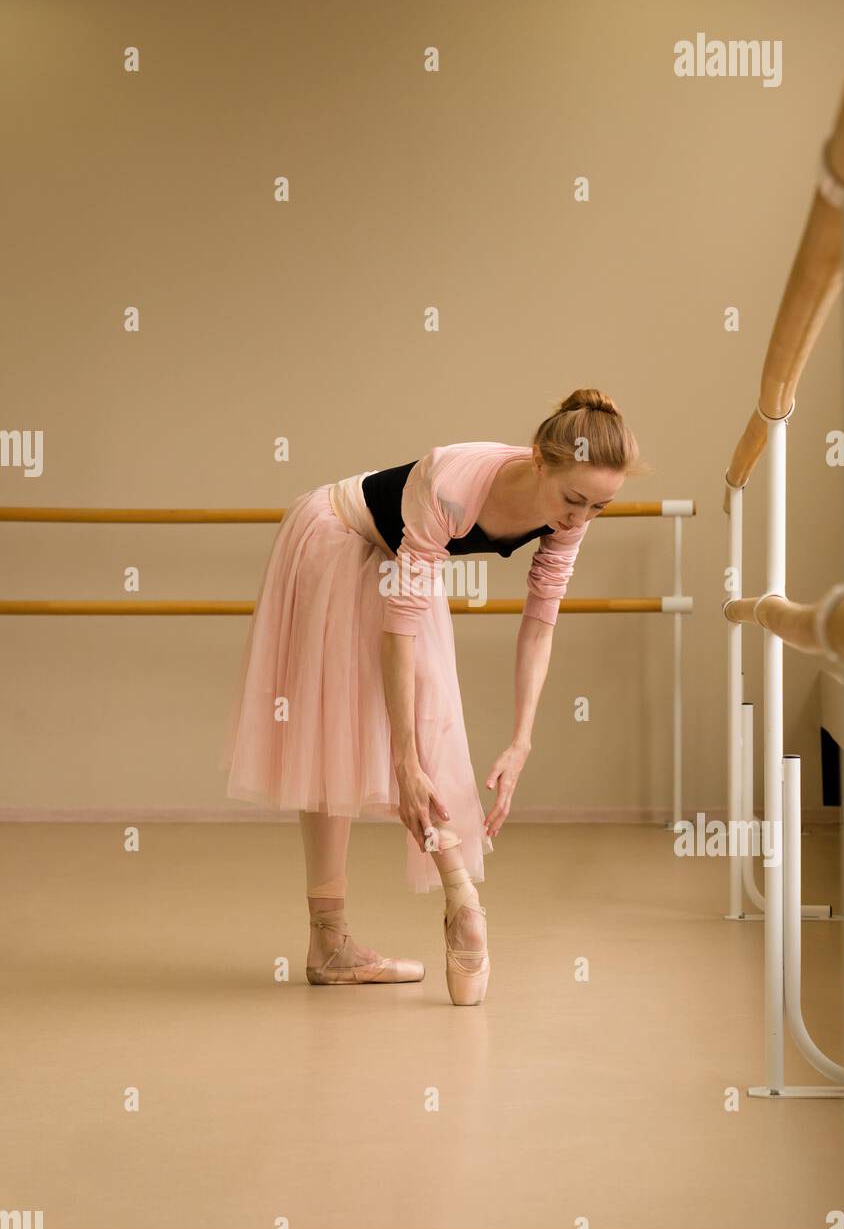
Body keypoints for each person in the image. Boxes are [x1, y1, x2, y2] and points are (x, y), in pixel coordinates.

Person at [218, 389, 644, 1005]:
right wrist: (405, 761)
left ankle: (427, 913)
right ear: (538, 461)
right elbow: (401, 629)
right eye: (573, 500)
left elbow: (540, 622)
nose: (579, 519)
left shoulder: (570, 515)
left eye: (599, 507)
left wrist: (522, 740)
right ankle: (365, 930)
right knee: (347, 720)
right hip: (334, 531)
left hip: (399, 554)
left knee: (429, 710)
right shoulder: (453, 480)